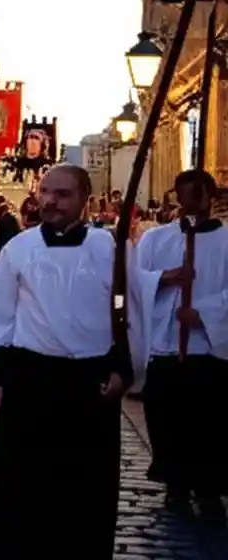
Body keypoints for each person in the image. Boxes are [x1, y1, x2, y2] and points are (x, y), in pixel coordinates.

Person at [0, 164, 133, 559]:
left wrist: (122, 366)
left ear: (85, 201)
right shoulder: (20, 249)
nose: (50, 201)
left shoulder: (110, 249)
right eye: (46, 192)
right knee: (18, 489)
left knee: (85, 492)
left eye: (62, 194)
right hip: (30, 382)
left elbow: (127, 310)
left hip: (88, 388)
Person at [130, 169, 228, 525]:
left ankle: (209, 487)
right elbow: (133, 279)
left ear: (211, 198)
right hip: (167, 346)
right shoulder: (156, 241)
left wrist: (204, 313)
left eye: (199, 197)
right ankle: (175, 483)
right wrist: (164, 278)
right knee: (167, 419)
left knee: (209, 423)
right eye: (186, 196)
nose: (192, 205)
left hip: (208, 350)